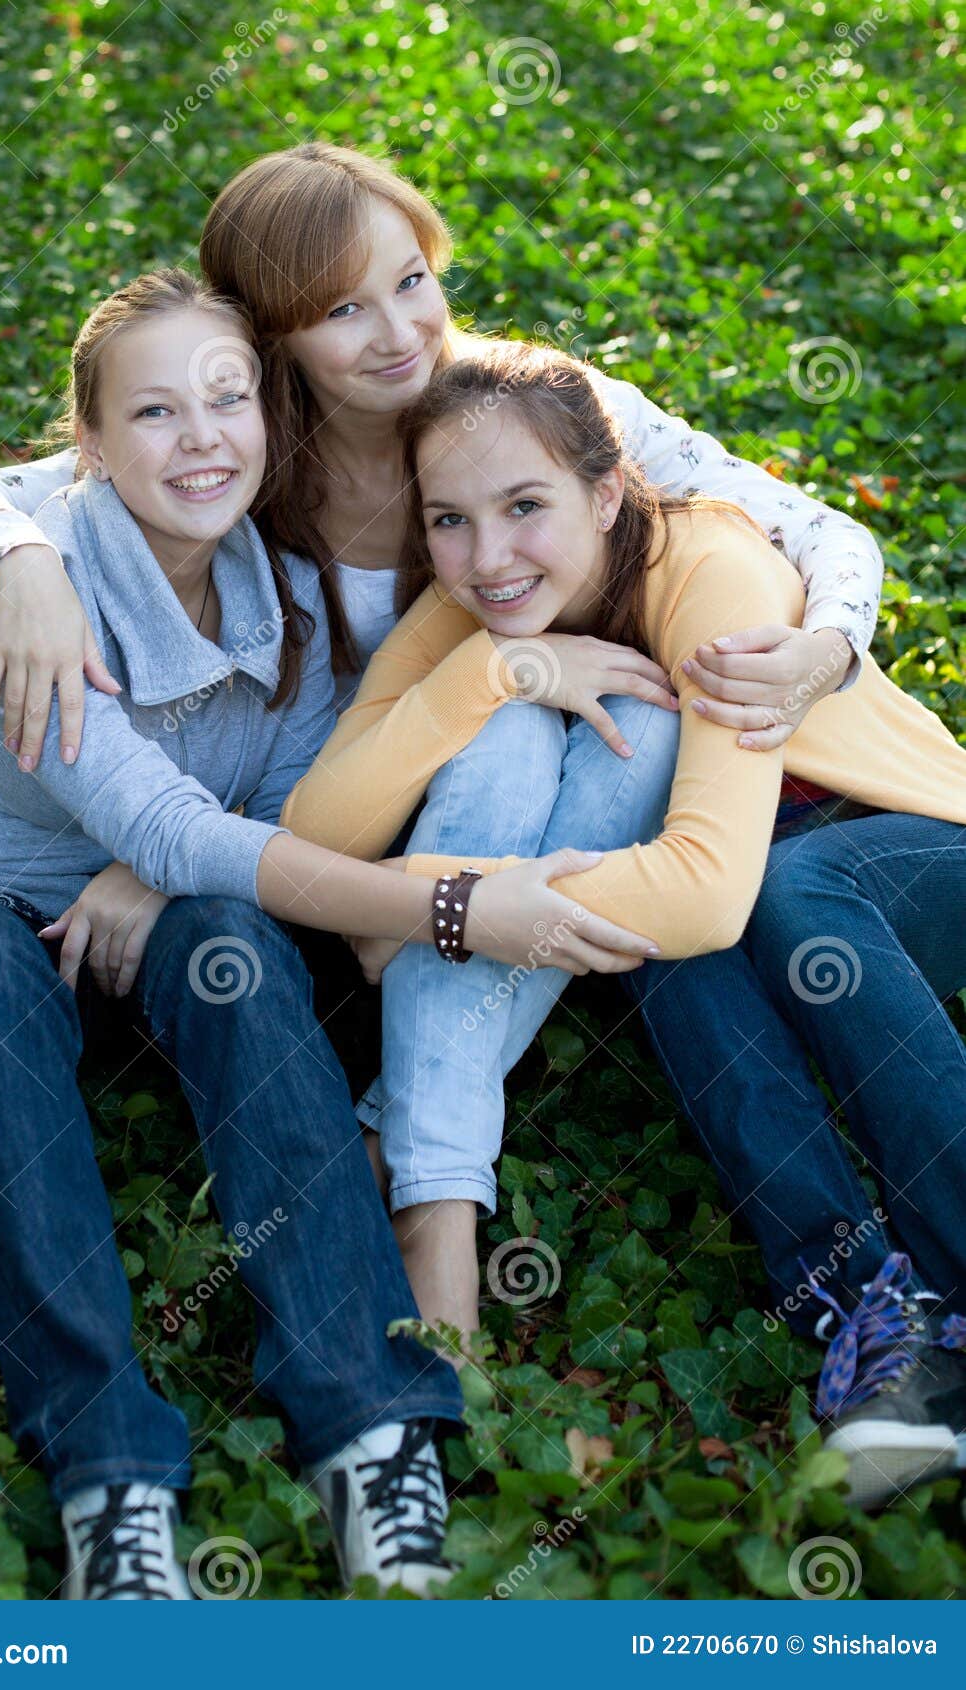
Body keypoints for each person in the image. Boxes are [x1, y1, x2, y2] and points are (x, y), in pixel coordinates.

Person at [0, 270, 638, 1600]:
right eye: (154, 411)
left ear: (269, 419)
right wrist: (454, 904)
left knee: (228, 927)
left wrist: (159, 873)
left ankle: (373, 1430)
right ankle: (109, 1475)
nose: (201, 437)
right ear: (88, 441)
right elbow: (171, 822)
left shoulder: (282, 589)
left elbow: (283, 805)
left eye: (226, 398)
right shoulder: (19, 601)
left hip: (151, 925)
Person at [281, 338, 966, 1509]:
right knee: (674, 959)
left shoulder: (710, 572)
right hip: (749, 886)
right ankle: (871, 1319)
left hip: (908, 844)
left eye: (525, 507)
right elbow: (318, 824)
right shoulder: (476, 602)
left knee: (777, 894)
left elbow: (704, 888)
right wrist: (493, 676)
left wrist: (444, 905)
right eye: (449, 521)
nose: (488, 555)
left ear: (606, 493)